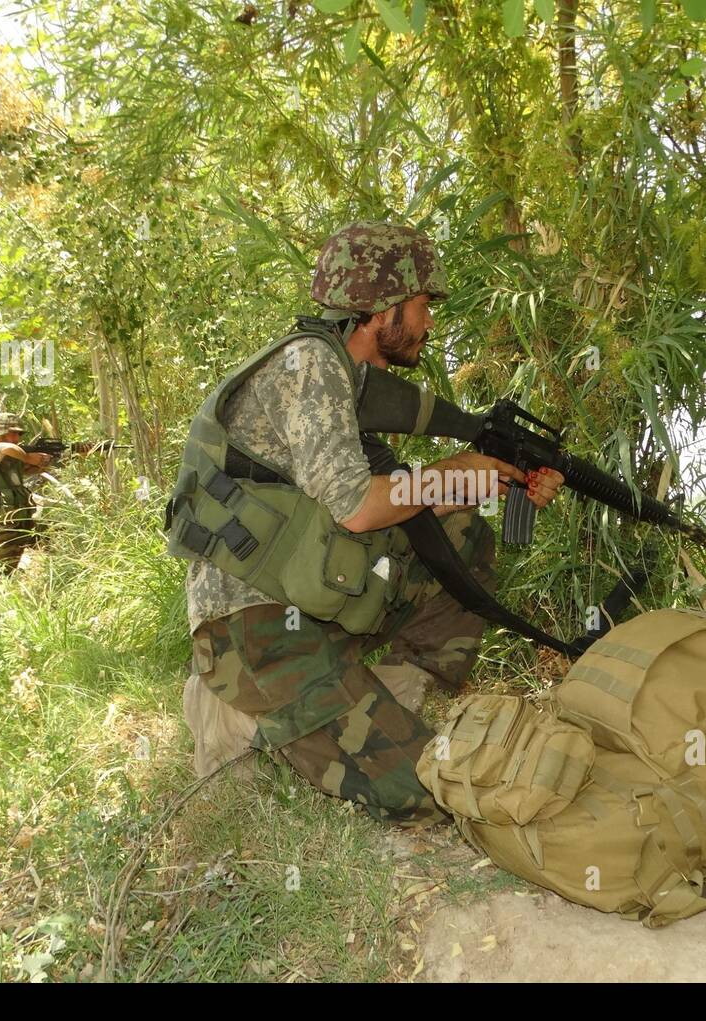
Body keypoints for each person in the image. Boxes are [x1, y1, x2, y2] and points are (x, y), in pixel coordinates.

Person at [176, 221, 565, 825]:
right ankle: (239, 714)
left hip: (313, 604)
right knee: (429, 793)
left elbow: (395, 504)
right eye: (421, 306)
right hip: (254, 626)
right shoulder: (309, 365)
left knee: (464, 534)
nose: (428, 323)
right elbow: (357, 505)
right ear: (383, 307)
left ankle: (388, 693)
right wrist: (451, 472)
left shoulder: (345, 380)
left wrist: (484, 484)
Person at [0, 412, 53, 573]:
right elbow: (6, 448)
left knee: (59, 538)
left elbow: (33, 468)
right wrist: (28, 457)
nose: (17, 438)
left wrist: (51, 458)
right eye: (12, 433)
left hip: (21, 523)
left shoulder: (11, 461)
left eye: (19, 434)